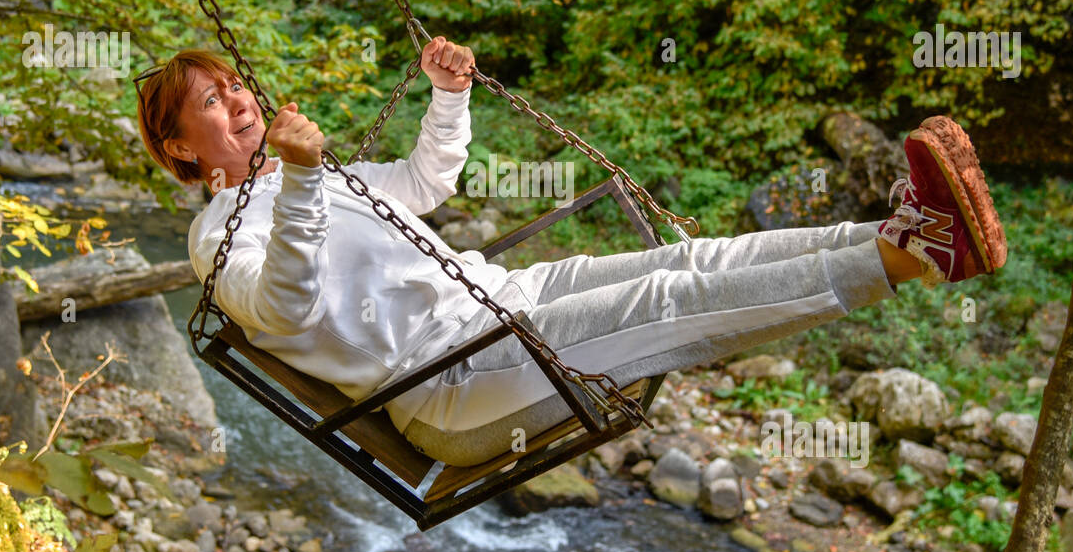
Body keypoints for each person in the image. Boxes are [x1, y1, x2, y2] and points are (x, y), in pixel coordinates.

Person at [137, 40, 1007, 467]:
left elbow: (424, 180)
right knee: (662, 307)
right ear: (183, 151)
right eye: (209, 104)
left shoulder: (312, 179)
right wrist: (297, 176)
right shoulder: (217, 234)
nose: (236, 100)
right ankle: (910, 262)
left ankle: (903, 236)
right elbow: (285, 307)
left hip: (496, 305)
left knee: (685, 265)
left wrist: (448, 95)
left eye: (232, 85)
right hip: (449, 380)